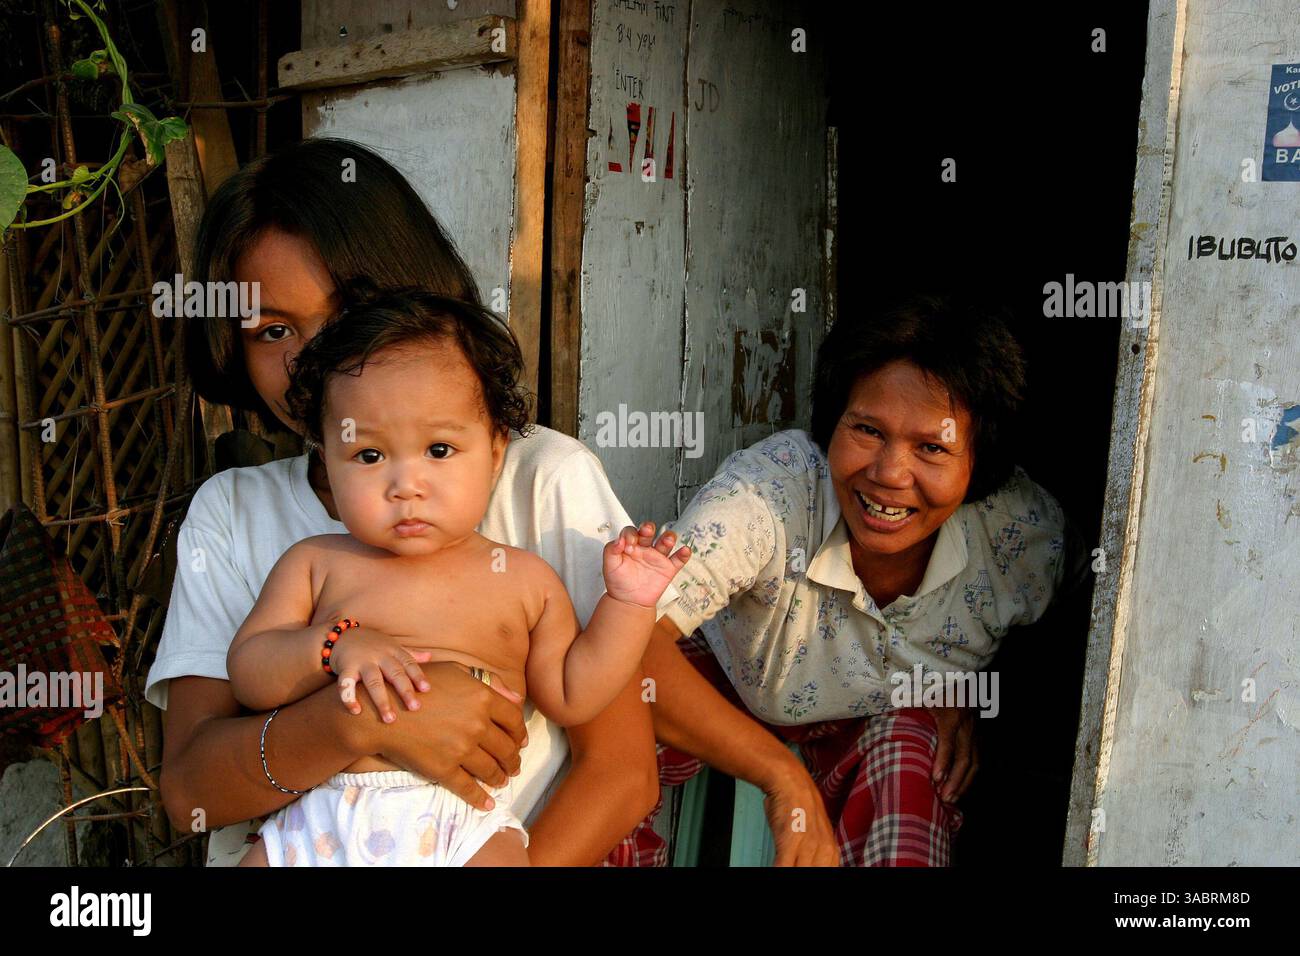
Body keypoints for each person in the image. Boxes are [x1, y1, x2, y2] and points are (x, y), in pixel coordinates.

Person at [146, 138, 664, 866]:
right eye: (271, 331)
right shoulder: (234, 516)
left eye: (350, 309)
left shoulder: (543, 478)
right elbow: (192, 790)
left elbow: (621, 771)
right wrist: (354, 724)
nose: (315, 359)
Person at [615, 296, 1091, 866]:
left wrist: (976, 697)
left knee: (917, 750)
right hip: (734, 679)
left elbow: (1098, 635)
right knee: (608, 714)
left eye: (932, 447)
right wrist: (780, 776)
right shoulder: (773, 493)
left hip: (878, 720)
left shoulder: (1022, 536)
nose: (889, 474)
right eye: (867, 429)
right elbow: (631, 640)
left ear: (980, 463)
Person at [226, 286, 689, 866]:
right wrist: (335, 644)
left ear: (496, 453)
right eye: (369, 456)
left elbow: (575, 693)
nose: (406, 484)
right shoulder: (316, 563)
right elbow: (251, 674)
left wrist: (628, 603)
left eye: (439, 449)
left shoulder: (524, 581)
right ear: (326, 459)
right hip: (323, 811)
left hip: (457, 821)